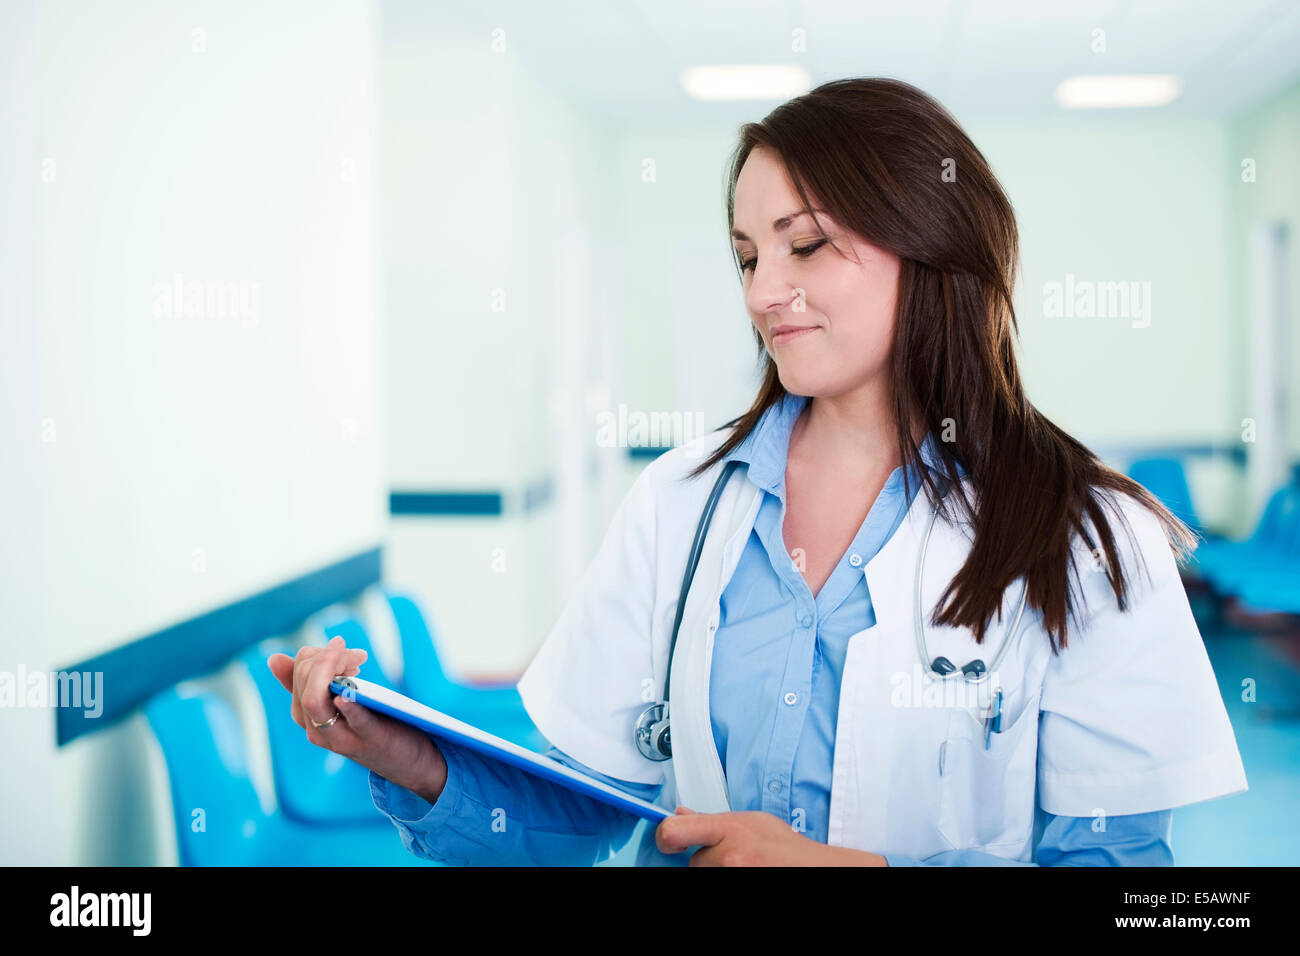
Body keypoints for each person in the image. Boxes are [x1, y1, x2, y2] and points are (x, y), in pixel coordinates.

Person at [269, 77, 1247, 866]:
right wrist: (414, 762)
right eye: (745, 255)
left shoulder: (1087, 538)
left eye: (807, 245)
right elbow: (582, 815)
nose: (762, 292)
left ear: (933, 246)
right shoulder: (682, 502)